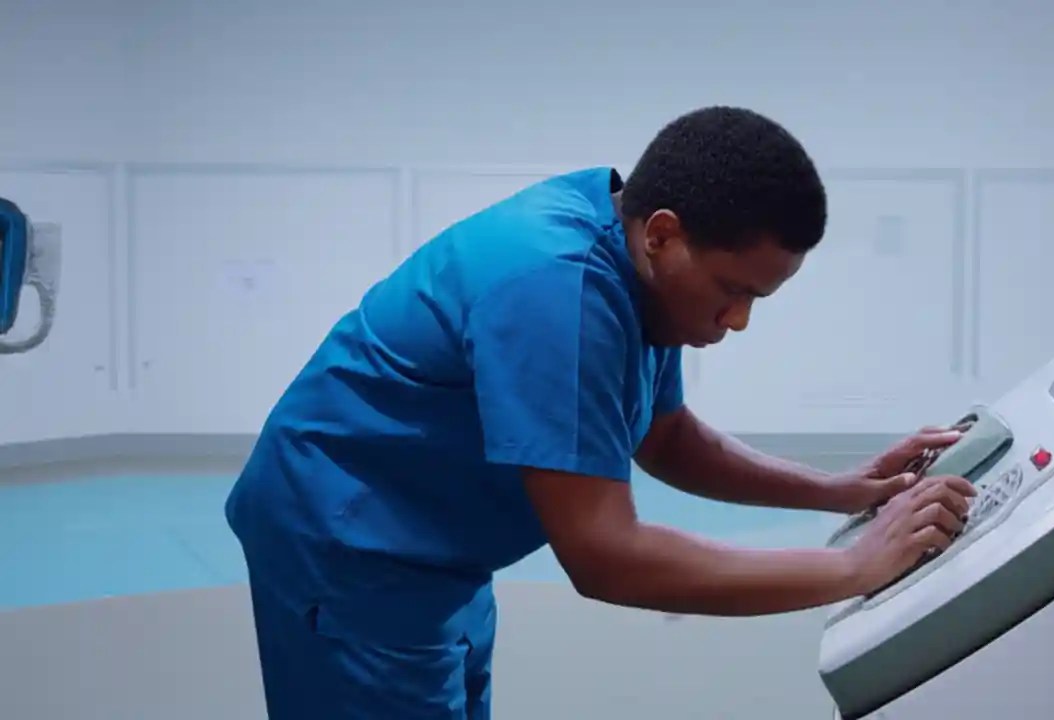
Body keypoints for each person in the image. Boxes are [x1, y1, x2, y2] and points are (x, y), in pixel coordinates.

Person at [224, 105, 976, 718]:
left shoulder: (634, 265)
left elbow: (665, 435)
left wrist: (838, 489)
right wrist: (851, 566)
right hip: (347, 546)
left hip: (439, 551)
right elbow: (606, 557)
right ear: (662, 235)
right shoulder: (557, 290)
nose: (739, 320)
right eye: (734, 289)